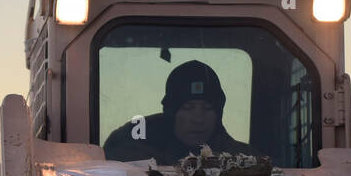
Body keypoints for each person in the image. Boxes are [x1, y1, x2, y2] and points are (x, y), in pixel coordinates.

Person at [103, 60, 248, 164]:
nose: (198, 119)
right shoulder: (129, 145)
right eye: (188, 108)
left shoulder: (242, 161)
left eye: (208, 108)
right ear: (171, 113)